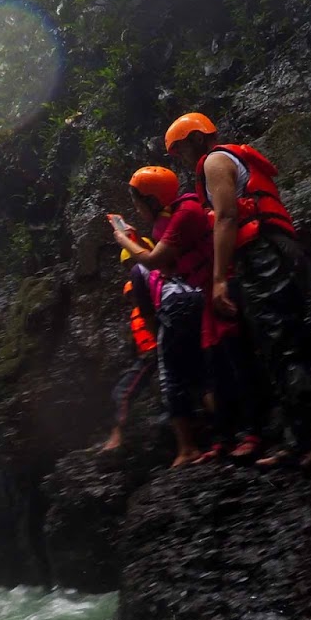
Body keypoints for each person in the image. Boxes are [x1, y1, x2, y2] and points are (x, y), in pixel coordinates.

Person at [165, 112, 311, 470]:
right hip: (275, 251)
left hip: (262, 256)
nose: (182, 156)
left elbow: (228, 216)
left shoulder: (215, 160)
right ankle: (309, 437)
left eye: (182, 147)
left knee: (279, 347)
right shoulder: (232, 158)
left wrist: (217, 280)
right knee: (280, 346)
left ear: (197, 139)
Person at [108, 166, 207, 466]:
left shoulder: (143, 269)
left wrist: (123, 239)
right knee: (202, 375)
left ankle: (187, 448)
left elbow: (150, 313)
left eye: (139, 203)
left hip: (174, 310)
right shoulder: (175, 232)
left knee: (173, 379)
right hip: (198, 299)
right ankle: (226, 435)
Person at [100, 256, 160, 453]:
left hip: (156, 354)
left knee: (122, 393)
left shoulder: (154, 305)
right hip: (148, 357)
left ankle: (118, 435)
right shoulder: (136, 314)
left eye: (134, 293)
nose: (133, 297)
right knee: (119, 391)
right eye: (130, 295)